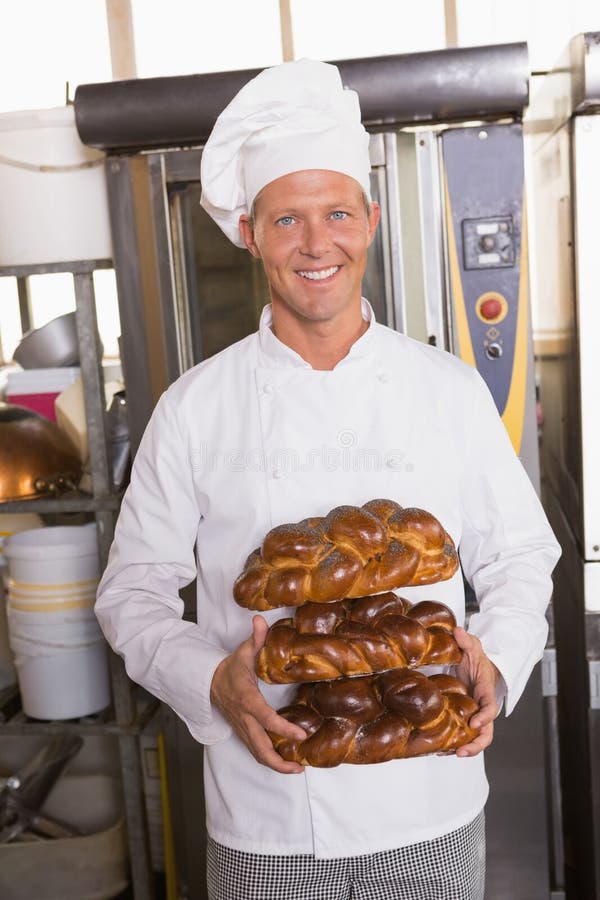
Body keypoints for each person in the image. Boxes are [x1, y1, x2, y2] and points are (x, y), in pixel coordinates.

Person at [95, 59, 561, 900]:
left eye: (338, 213)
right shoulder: (196, 408)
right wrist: (212, 681)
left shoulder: (447, 390)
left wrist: (500, 656)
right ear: (250, 231)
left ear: (371, 221)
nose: (317, 244)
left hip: (430, 804)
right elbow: (131, 592)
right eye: (288, 220)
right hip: (267, 812)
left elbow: (523, 554)